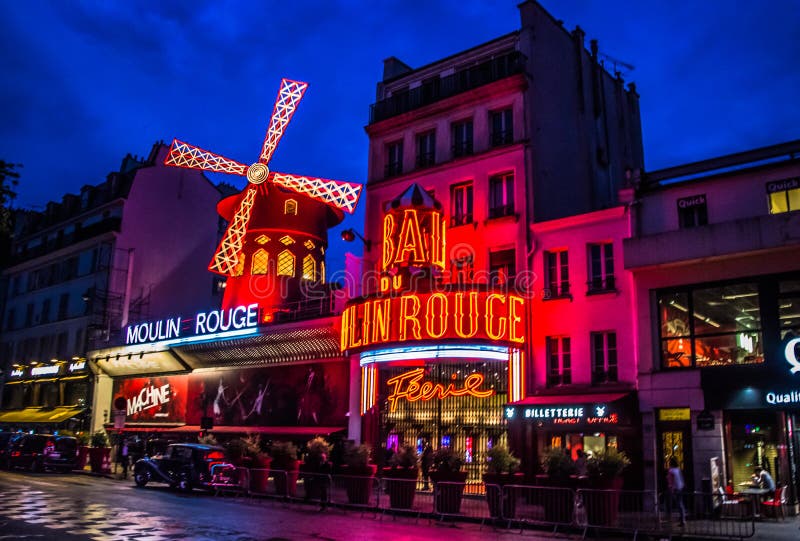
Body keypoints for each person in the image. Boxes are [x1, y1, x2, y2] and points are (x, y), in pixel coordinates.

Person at [666, 457, 686, 526]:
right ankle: (682, 519)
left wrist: (671, 489)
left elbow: (671, 481)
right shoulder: (678, 469)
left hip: (674, 489)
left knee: (670, 503)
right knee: (680, 504)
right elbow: (681, 478)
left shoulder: (671, 470)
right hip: (680, 488)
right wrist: (682, 485)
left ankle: (670, 518)